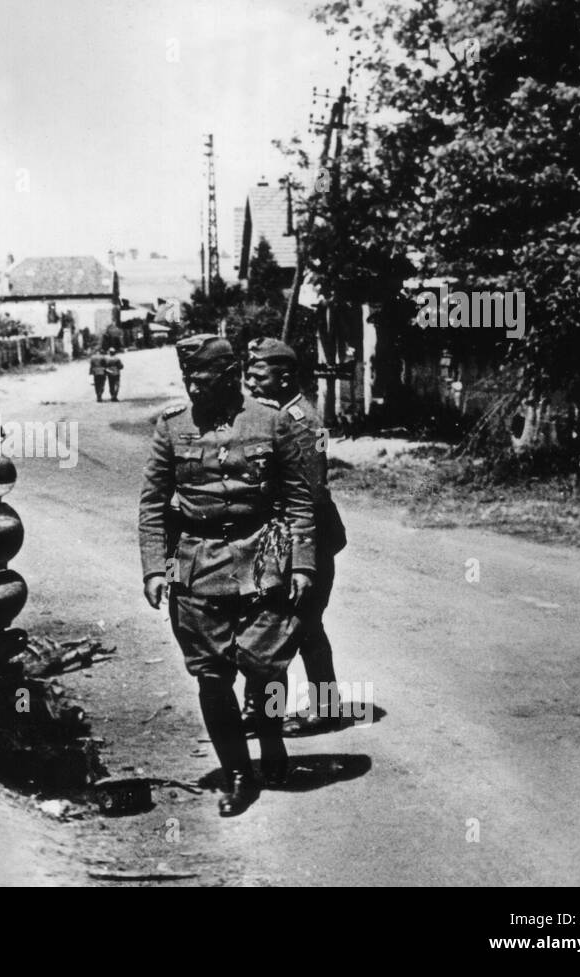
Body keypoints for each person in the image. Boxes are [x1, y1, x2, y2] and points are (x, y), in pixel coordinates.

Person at [139, 334, 318, 816]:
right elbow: (153, 505)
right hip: (198, 564)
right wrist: (155, 568)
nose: (194, 391)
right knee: (212, 677)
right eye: (187, 382)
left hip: (262, 559)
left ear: (229, 375)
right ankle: (239, 774)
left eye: (202, 381)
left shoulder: (271, 421)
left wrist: (302, 562)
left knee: (266, 664)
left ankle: (272, 739)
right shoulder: (172, 428)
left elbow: (301, 500)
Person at [244, 337, 348, 735]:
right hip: (284, 537)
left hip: (306, 538)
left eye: (258, 376)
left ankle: (323, 708)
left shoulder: (301, 423)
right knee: (272, 625)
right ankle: (260, 712)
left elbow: (310, 492)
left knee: (299, 625)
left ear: (284, 377)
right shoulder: (275, 415)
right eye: (249, 377)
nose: (251, 384)